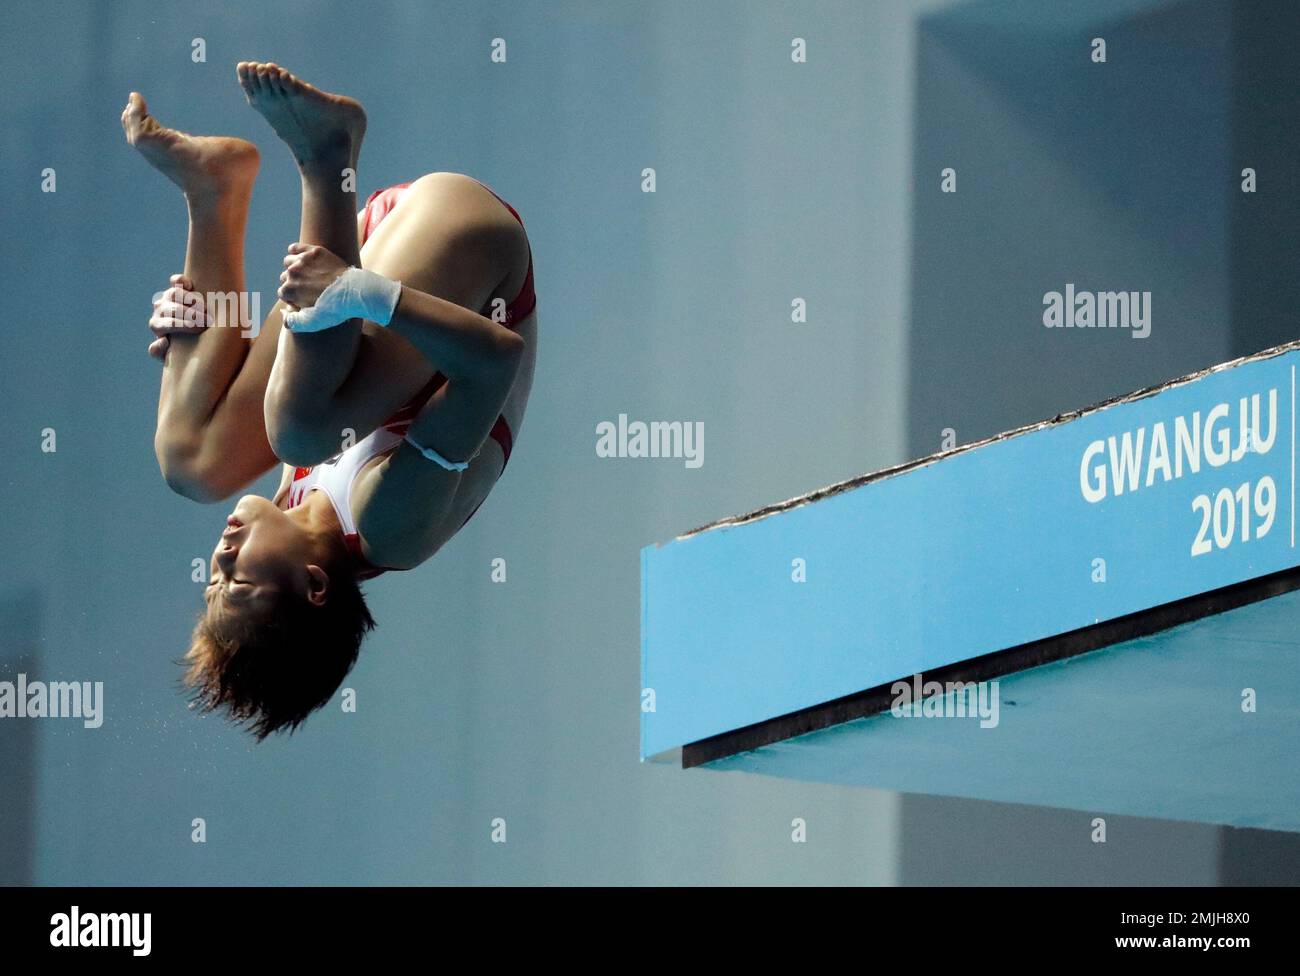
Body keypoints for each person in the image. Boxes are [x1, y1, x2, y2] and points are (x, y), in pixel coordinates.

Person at [121, 62, 537, 739]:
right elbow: (494, 361)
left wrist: (197, 331)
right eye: (238, 585)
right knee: (302, 431)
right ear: (316, 588)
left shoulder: (293, 510)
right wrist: (362, 291)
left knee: (190, 460)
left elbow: (309, 365)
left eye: (210, 584)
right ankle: (326, 157)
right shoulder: (390, 526)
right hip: (472, 246)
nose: (218, 561)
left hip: (365, 246)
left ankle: (214, 191)